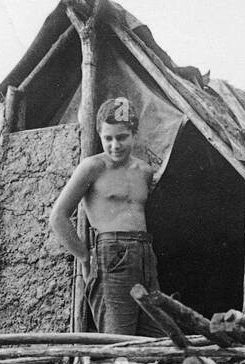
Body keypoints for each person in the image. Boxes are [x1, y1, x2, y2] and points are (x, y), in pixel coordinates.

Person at [49, 95, 161, 336]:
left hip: (145, 254)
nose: (114, 145)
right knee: (117, 337)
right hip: (111, 254)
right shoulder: (92, 167)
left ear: (134, 133)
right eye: (107, 138)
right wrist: (84, 256)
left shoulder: (145, 171)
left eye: (121, 137)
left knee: (154, 334)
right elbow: (58, 217)